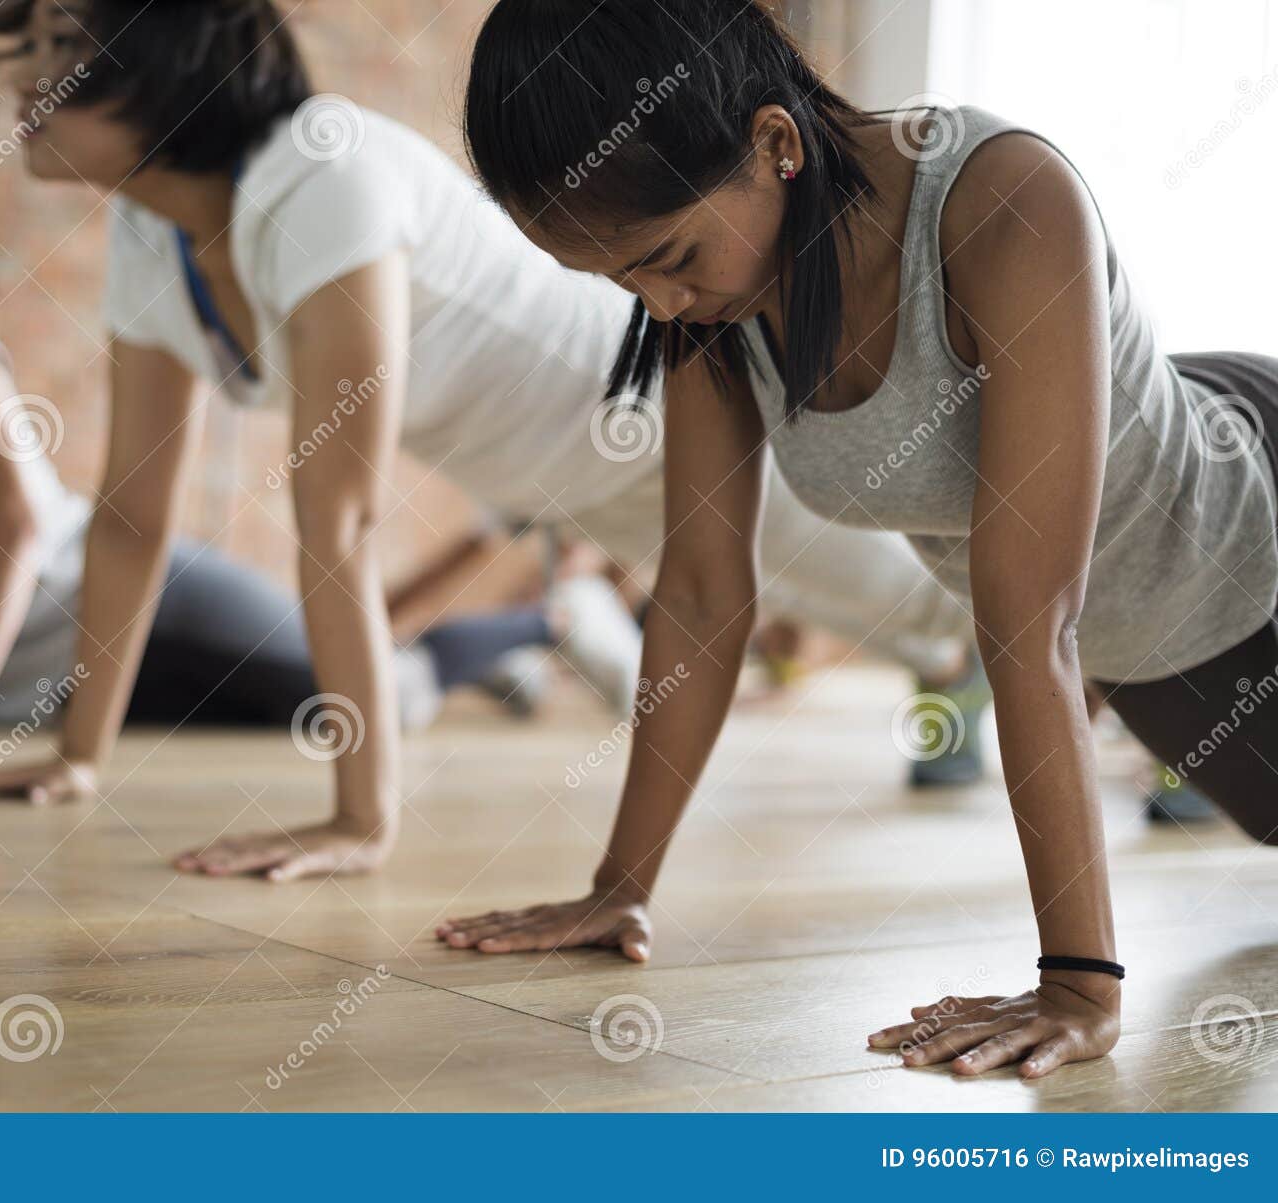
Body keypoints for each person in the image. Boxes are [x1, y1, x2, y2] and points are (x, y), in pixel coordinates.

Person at [0, 0, 989, 879]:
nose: (25, 91)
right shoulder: (145, 232)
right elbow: (128, 520)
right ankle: (982, 676)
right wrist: (79, 755)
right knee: (856, 605)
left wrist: (359, 819)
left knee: (940, 597)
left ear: (163, 73)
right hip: (558, 479)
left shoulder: (320, 167)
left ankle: (1097, 697)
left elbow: (335, 516)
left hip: (664, 407)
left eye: (59, 61)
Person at [440, 0, 1278, 1078]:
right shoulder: (715, 306)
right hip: (1158, 639)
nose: (657, 299)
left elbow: (1027, 617)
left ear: (774, 144)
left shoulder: (1001, 199)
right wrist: (621, 885)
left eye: (668, 254)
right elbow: (698, 596)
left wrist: (1079, 981)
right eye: (618, 280)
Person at [0, 156, 613, 763]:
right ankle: (500, 647)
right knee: (311, 699)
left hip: (123, 593)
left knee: (372, 699)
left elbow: (15, 518)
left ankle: (541, 622)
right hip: (39, 683)